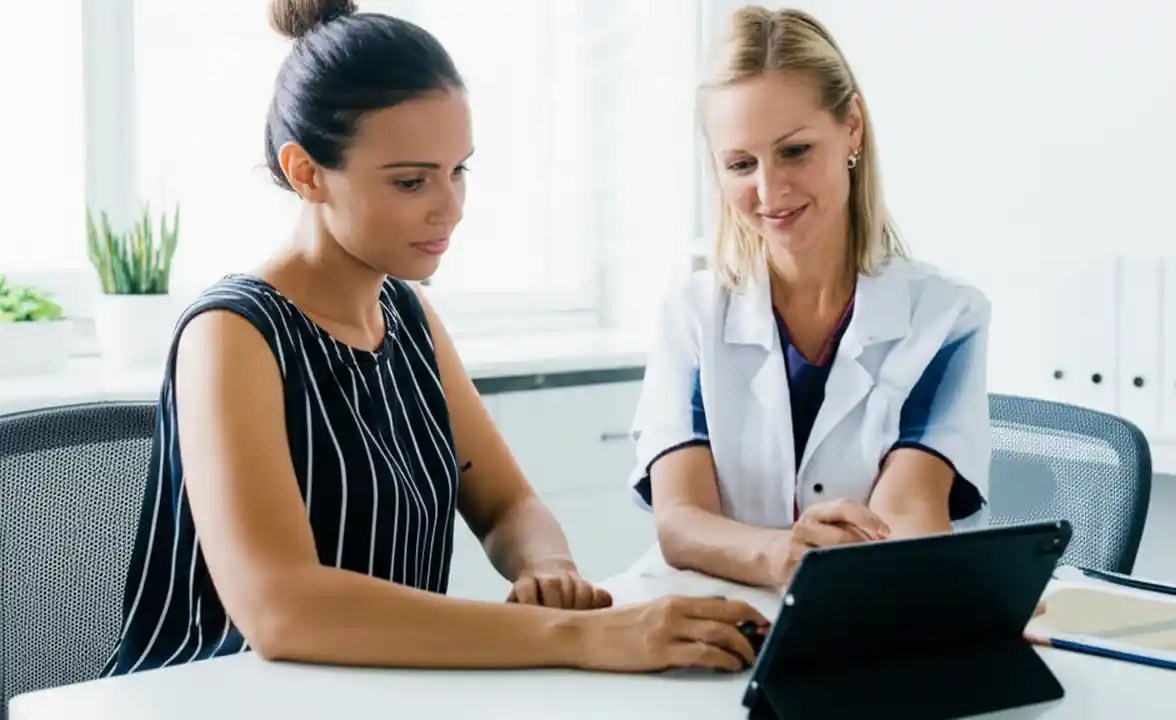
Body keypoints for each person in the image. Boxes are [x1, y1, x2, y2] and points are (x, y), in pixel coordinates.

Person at [103, 0, 766, 677]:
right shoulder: (231, 333)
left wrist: (547, 567)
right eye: (411, 180)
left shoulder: (407, 314)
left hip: (371, 695)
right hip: (212, 695)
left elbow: (509, 506)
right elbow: (281, 610)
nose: (450, 206)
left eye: (459, 171)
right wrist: (575, 635)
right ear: (306, 173)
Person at [629, 6, 992, 589]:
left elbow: (909, 511)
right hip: (716, 616)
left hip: (863, 611)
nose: (770, 192)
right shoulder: (692, 315)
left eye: (795, 151)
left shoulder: (946, 317)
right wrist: (782, 555)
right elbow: (680, 521)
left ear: (852, 125)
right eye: (741, 164)